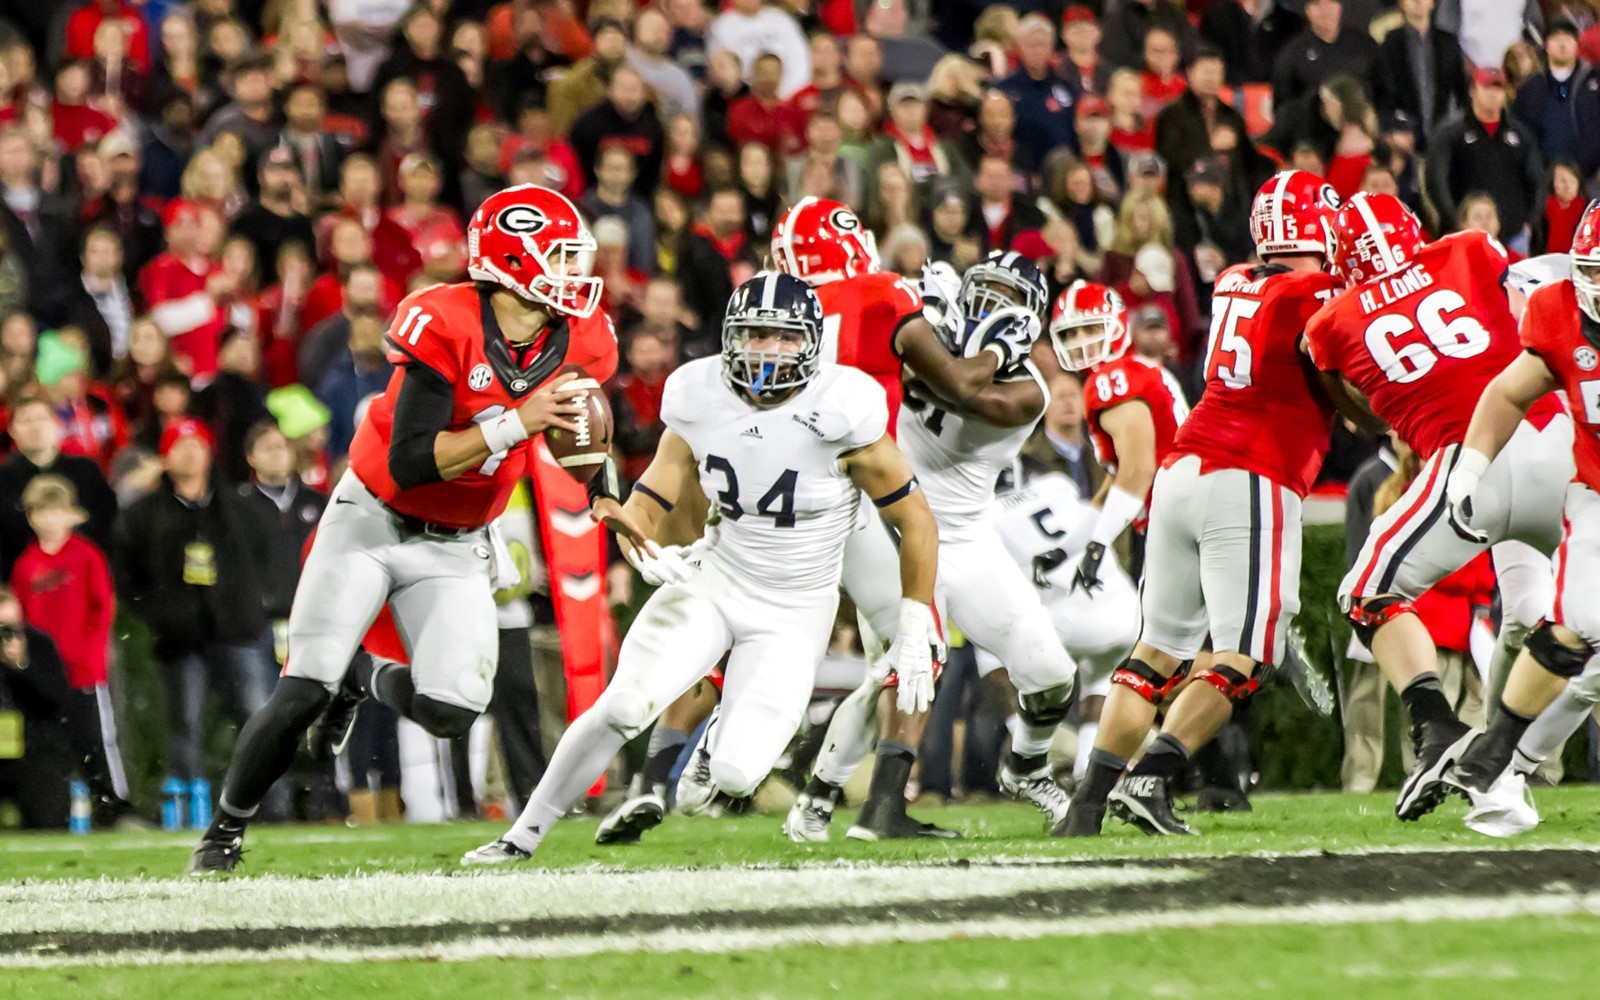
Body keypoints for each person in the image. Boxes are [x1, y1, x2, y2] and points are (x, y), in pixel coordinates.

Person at [188, 185, 631, 875]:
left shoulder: (583, 334)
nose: (574, 273)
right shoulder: (442, 317)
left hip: (457, 545)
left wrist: (605, 491)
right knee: (304, 688)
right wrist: (517, 422)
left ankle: (366, 674)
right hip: (372, 519)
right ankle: (224, 830)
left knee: (454, 708)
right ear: (512, 262)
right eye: (560, 257)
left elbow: (582, 431)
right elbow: (412, 461)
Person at [462, 271, 941, 865]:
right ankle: (522, 834)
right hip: (717, 576)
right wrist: (634, 524)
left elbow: (917, 521)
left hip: (795, 609)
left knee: (740, 776)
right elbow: (663, 479)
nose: (764, 351)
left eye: (781, 337)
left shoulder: (845, 408)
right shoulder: (698, 392)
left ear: (813, 342)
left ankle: (715, 740)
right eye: (752, 335)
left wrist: (915, 625)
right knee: (623, 705)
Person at [1063, 172, 1344, 836]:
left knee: (1155, 651)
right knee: (1244, 657)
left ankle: (1088, 806)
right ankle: (1153, 779)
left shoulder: (1236, 281)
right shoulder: (1317, 292)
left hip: (1181, 473)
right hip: (1249, 474)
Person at [784, 249, 1075, 842]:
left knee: (1053, 676)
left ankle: (1024, 764)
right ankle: (867, 806)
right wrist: (957, 333)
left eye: (1010, 300)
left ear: (1033, 320)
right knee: (908, 663)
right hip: (894, 521)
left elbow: (968, 395)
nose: (995, 306)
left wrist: (965, 339)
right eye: (986, 291)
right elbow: (940, 377)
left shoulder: (1031, 390)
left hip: (968, 535)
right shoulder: (930, 336)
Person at [1304, 192, 1573, 823]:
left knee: (1366, 593)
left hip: (1470, 460)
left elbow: (1363, 413)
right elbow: (1530, 320)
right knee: (1537, 621)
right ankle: (1504, 771)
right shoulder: (1468, 249)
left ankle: (1437, 730)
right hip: (1555, 442)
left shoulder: (1328, 324)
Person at [1432, 200, 1600, 836]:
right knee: (1582, 622)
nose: (1598, 287)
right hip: (1596, 490)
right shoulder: (1559, 313)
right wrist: (1470, 469)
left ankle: (1499, 762)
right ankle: (1495, 759)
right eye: (1593, 271)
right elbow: (1506, 391)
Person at [115, 418, 272, 819]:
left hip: (237, 631)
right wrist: (158, 614)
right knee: (184, 723)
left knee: (256, 714)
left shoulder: (240, 505)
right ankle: (189, 808)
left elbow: (265, 557)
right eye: (179, 446)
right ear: (165, 457)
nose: (188, 452)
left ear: (208, 451)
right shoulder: (144, 513)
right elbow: (126, 573)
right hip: (179, 637)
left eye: (196, 445)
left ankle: (271, 802)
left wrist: (253, 606)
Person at [991, 470, 1139, 783]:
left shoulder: (984, 516)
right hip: (1125, 608)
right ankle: (1087, 766)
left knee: (985, 645)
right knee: (1099, 678)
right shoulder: (1056, 485)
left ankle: (1026, 753)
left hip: (1067, 620)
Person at [10, 475, 128, 826]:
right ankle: (53, 813)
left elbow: (103, 607)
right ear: (31, 517)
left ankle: (111, 807)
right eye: (42, 512)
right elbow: (22, 619)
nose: (49, 520)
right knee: (50, 747)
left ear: (71, 515)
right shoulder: (25, 565)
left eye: (56, 512)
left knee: (95, 741)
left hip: (84, 672)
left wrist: (92, 656)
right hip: (43, 678)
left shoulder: (86, 555)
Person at [0, 395, 119, 577]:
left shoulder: (85, 470)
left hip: (83, 575)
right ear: (12, 430)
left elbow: (108, 521)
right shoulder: (4, 479)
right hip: (23, 580)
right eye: (26, 420)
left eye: (42, 418)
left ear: (56, 423)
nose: (36, 427)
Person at [1424, 69, 1543, 248]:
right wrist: (1454, 220)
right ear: (1473, 90)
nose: (1493, 95)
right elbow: (1436, 180)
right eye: (1487, 88)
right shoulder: (1451, 134)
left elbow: (1536, 179)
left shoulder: (1520, 134)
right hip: (1463, 235)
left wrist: (1529, 220)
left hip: (1513, 235)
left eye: (1498, 89)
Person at [0, 587, 75, 829]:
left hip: (33, 755)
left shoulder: (39, 645)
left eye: (12, 628)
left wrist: (21, 667)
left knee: (48, 811)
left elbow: (57, 698)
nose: (8, 637)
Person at [1510, 19, 1600, 184]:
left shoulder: (1594, 81)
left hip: (1590, 182)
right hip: (1543, 184)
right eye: (1557, 38)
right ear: (1546, 45)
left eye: (1568, 38)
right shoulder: (1530, 88)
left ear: (1577, 44)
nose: (1562, 44)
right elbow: (1518, 133)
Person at [1371, 0, 1467, 145]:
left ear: (1432, 3)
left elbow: (1462, 93)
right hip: (1403, 141)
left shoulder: (1448, 44)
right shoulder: (1389, 46)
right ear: (1401, 3)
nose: (1418, 1)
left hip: (1441, 138)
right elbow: (1382, 96)